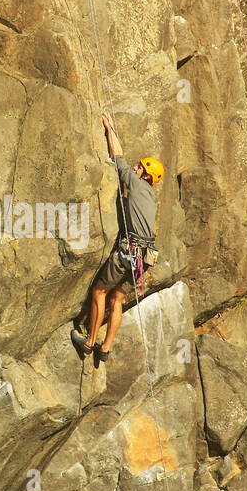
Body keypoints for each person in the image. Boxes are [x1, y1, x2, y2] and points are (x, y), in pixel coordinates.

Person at [71, 112, 164, 364]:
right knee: (118, 298)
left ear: (144, 176)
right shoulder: (150, 195)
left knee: (100, 291)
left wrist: (110, 129)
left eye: (140, 167)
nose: (136, 167)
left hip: (128, 253)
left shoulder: (134, 183)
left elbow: (118, 158)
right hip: (144, 259)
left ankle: (89, 343)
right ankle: (106, 349)